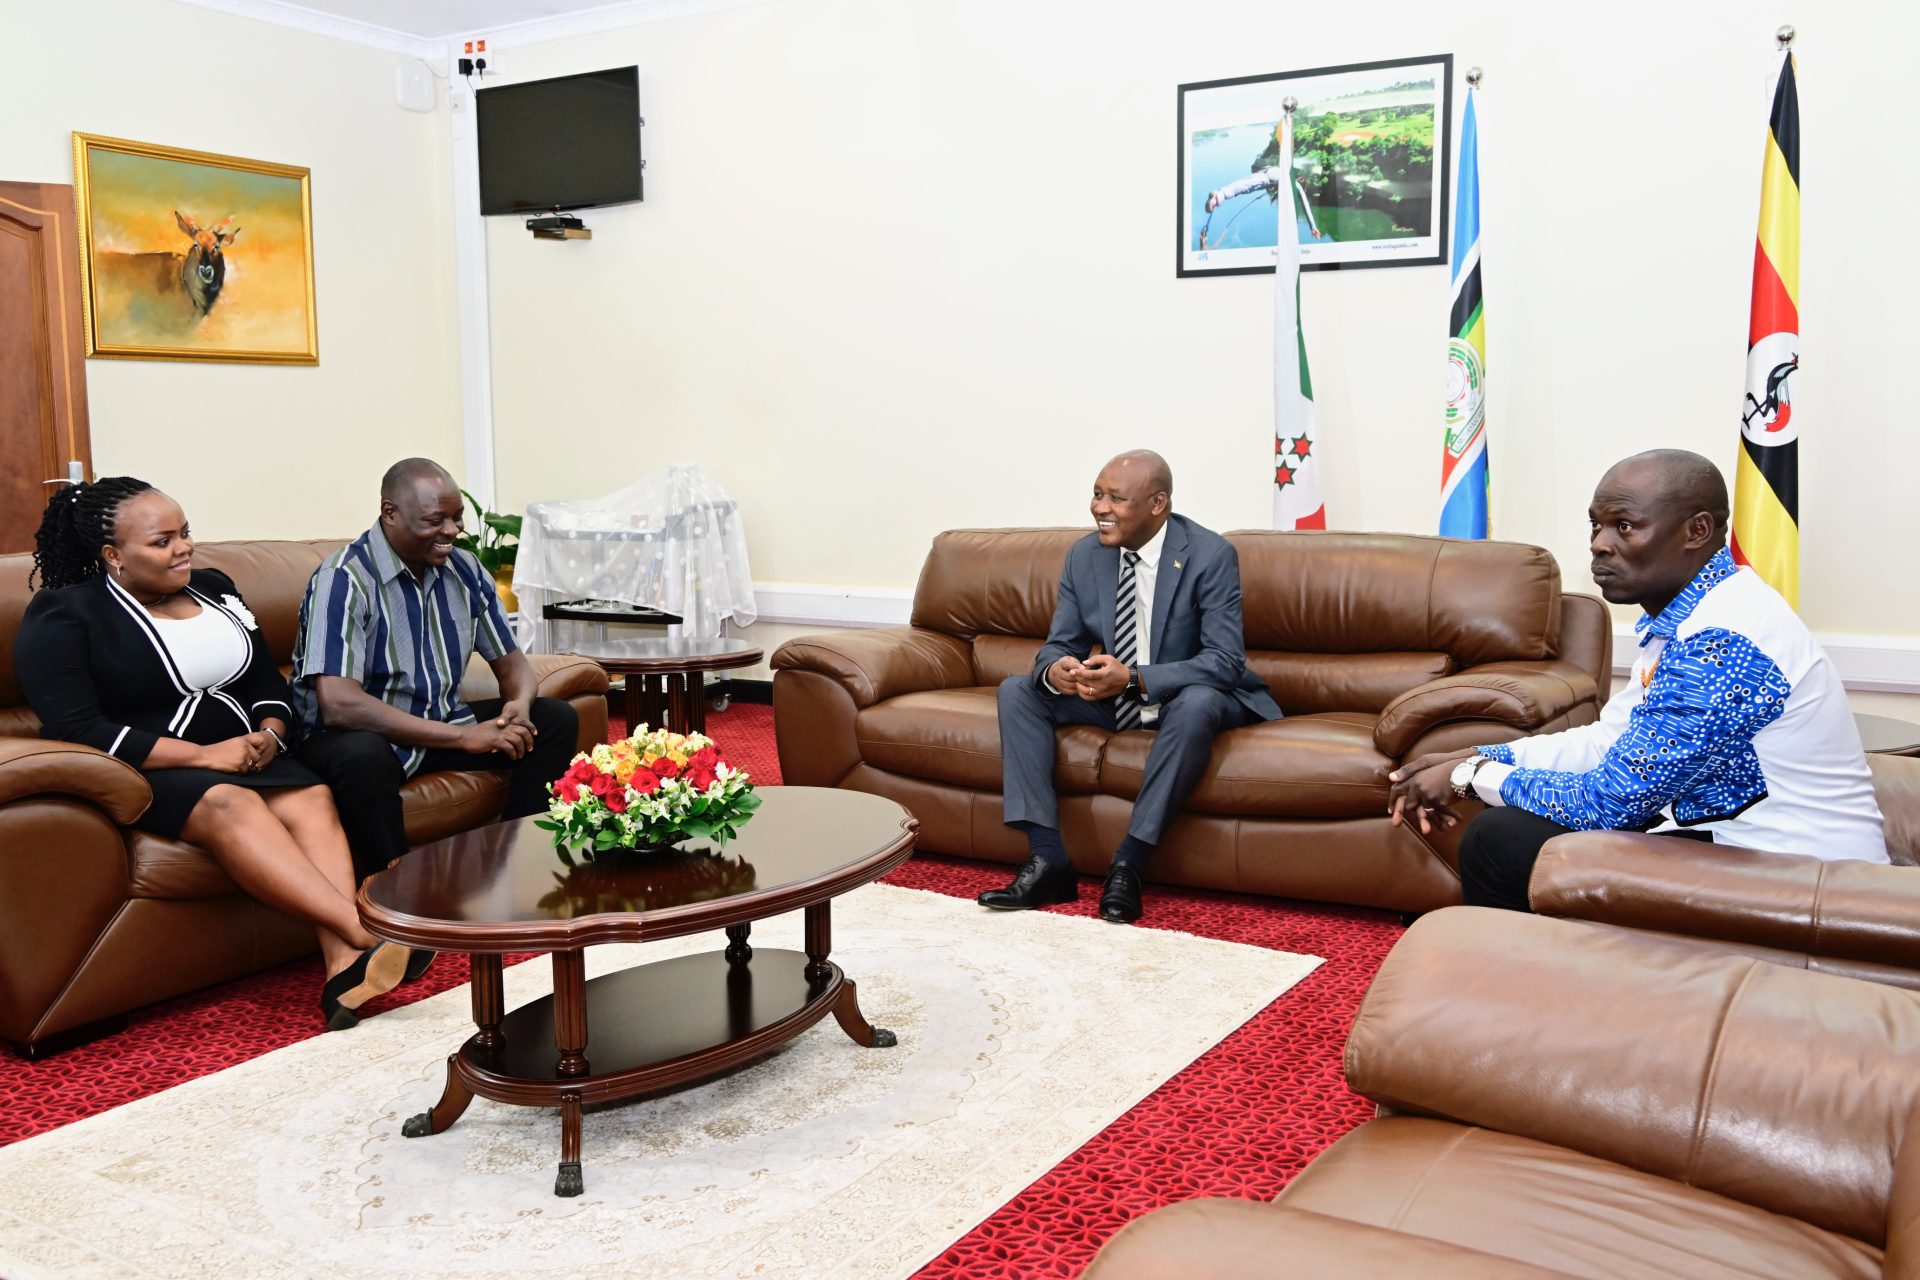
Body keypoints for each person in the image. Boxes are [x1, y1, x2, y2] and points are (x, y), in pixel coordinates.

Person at [1387, 449, 1888, 911]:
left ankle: (1517, 990)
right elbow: (1612, 740)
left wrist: (1466, 778)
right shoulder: (1689, 618)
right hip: (1746, 845)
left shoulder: (1724, 639)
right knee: (1512, 829)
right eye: (1596, 525)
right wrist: (1480, 757)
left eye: (1625, 526)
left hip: (1805, 875)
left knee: (1502, 839)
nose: (1600, 545)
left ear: (1697, 531)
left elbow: (1611, 802)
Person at [12, 478, 421, 1031]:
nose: (183, 548)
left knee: (313, 796)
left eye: (185, 533)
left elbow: (263, 681)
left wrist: (272, 732)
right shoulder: (64, 615)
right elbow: (78, 728)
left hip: (250, 756)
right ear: (114, 555)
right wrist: (204, 758)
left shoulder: (214, 587)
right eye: (162, 542)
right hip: (151, 770)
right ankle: (366, 931)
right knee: (232, 804)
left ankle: (344, 975)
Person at [980, 450, 1283, 924]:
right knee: (1018, 691)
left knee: (1200, 701)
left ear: (1158, 503)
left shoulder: (1209, 554)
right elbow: (1058, 643)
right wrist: (1056, 668)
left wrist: (1138, 678)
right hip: (1115, 697)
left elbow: (1224, 662)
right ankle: (1048, 859)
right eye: (1097, 494)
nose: (1100, 507)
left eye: (1116, 498)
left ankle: (1129, 862)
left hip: (1183, 697)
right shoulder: (1085, 555)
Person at [291, 458, 578, 880]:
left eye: (457, 518)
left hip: (437, 722)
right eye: (434, 520)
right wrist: (465, 737)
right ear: (390, 513)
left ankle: (519, 867)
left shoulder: (464, 570)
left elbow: (512, 663)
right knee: (360, 754)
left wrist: (518, 703)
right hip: (355, 738)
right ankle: (396, 902)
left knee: (552, 720)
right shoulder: (344, 579)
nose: (451, 531)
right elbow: (339, 705)